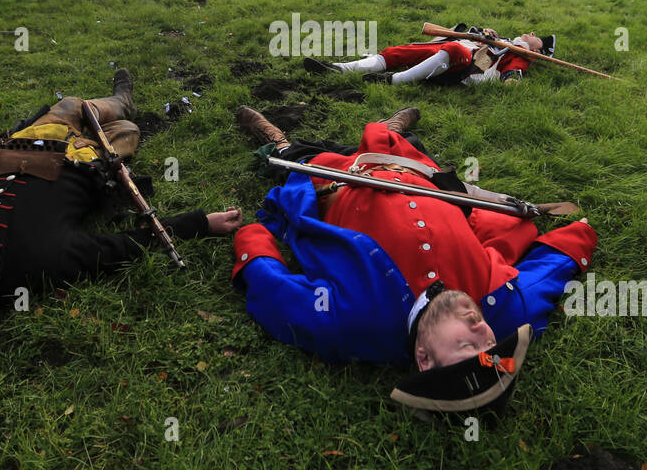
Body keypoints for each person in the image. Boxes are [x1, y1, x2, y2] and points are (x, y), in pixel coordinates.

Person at [0, 69, 242, 361]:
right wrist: (200, 223)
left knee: (79, 105)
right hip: (89, 159)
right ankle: (124, 109)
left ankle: (122, 94)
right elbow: (118, 248)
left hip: (31, 138)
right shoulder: (37, 265)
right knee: (127, 128)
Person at [227, 107, 597, 376]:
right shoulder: (502, 311)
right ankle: (391, 128)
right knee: (402, 144)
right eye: (489, 343)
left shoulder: (348, 326)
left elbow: (269, 285)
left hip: (331, 180)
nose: (482, 329)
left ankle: (276, 136)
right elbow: (549, 272)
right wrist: (580, 233)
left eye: (467, 345)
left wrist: (254, 234)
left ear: (424, 358)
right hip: (417, 172)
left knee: (290, 158)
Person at [303, 24, 556, 86]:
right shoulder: (509, 41)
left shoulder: (522, 54)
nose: (532, 33)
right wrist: (486, 34)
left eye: (537, 37)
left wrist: (512, 78)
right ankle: (340, 68)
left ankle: (393, 81)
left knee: (454, 50)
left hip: (467, 68)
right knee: (400, 52)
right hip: (460, 50)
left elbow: (512, 76)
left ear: (537, 50)